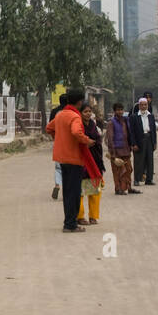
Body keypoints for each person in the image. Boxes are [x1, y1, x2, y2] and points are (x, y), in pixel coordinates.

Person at [44, 88, 97, 233]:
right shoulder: (75, 116)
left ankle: (68, 222)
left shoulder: (61, 115)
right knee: (74, 192)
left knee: (67, 191)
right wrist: (87, 141)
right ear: (79, 102)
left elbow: (48, 128)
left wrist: (59, 139)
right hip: (74, 158)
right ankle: (70, 224)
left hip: (62, 157)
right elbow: (76, 132)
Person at [77, 103, 105, 225]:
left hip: (94, 162)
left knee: (95, 190)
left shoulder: (94, 126)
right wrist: (85, 143)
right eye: (85, 112)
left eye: (89, 111)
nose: (88, 114)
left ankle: (93, 216)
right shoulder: (78, 126)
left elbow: (99, 140)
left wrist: (94, 142)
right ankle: (80, 217)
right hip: (82, 163)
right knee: (80, 192)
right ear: (80, 113)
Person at [128, 96, 157, 188]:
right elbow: (131, 132)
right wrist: (133, 144)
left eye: (145, 105)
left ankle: (149, 179)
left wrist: (154, 142)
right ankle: (137, 179)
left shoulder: (151, 116)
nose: (144, 106)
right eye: (142, 105)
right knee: (138, 161)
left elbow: (153, 130)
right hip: (139, 140)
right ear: (139, 106)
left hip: (149, 139)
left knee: (150, 160)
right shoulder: (134, 117)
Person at [106, 102, 133, 194]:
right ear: (114, 111)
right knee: (118, 171)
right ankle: (118, 189)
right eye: (118, 110)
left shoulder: (126, 120)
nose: (120, 111)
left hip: (126, 149)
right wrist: (112, 153)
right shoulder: (111, 123)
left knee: (128, 169)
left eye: (121, 109)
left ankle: (129, 187)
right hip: (116, 151)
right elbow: (110, 138)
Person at [49, 93, 69, 199]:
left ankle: (57, 185)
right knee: (68, 167)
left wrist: (54, 137)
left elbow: (49, 127)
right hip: (69, 142)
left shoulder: (54, 112)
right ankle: (66, 190)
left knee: (58, 166)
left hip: (58, 141)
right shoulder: (70, 112)